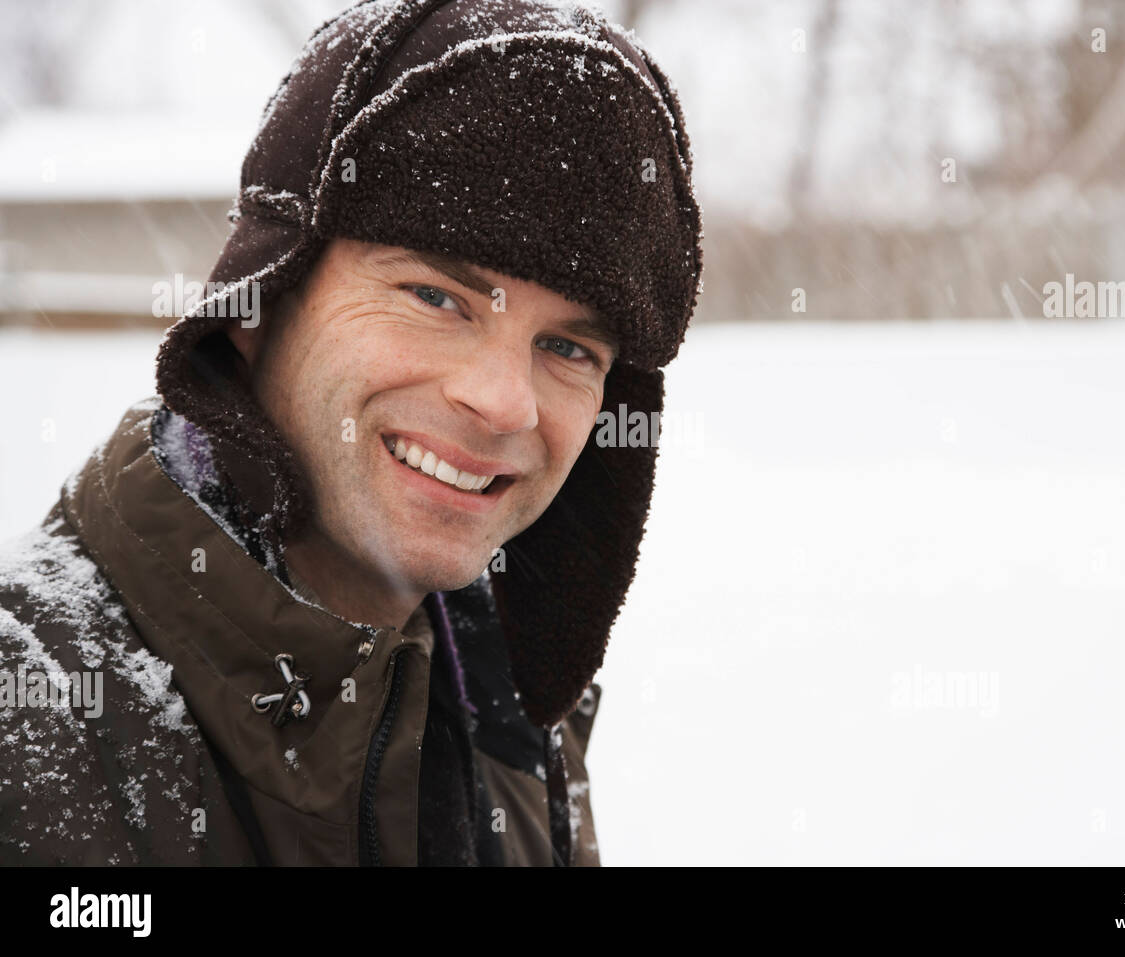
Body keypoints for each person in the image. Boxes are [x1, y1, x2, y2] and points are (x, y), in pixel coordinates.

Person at [0, 0, 702, 866]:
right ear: (262, 300)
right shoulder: (28, 724)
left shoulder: (507, 709)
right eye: (435, 297)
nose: (505, 401)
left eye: (565, 346)